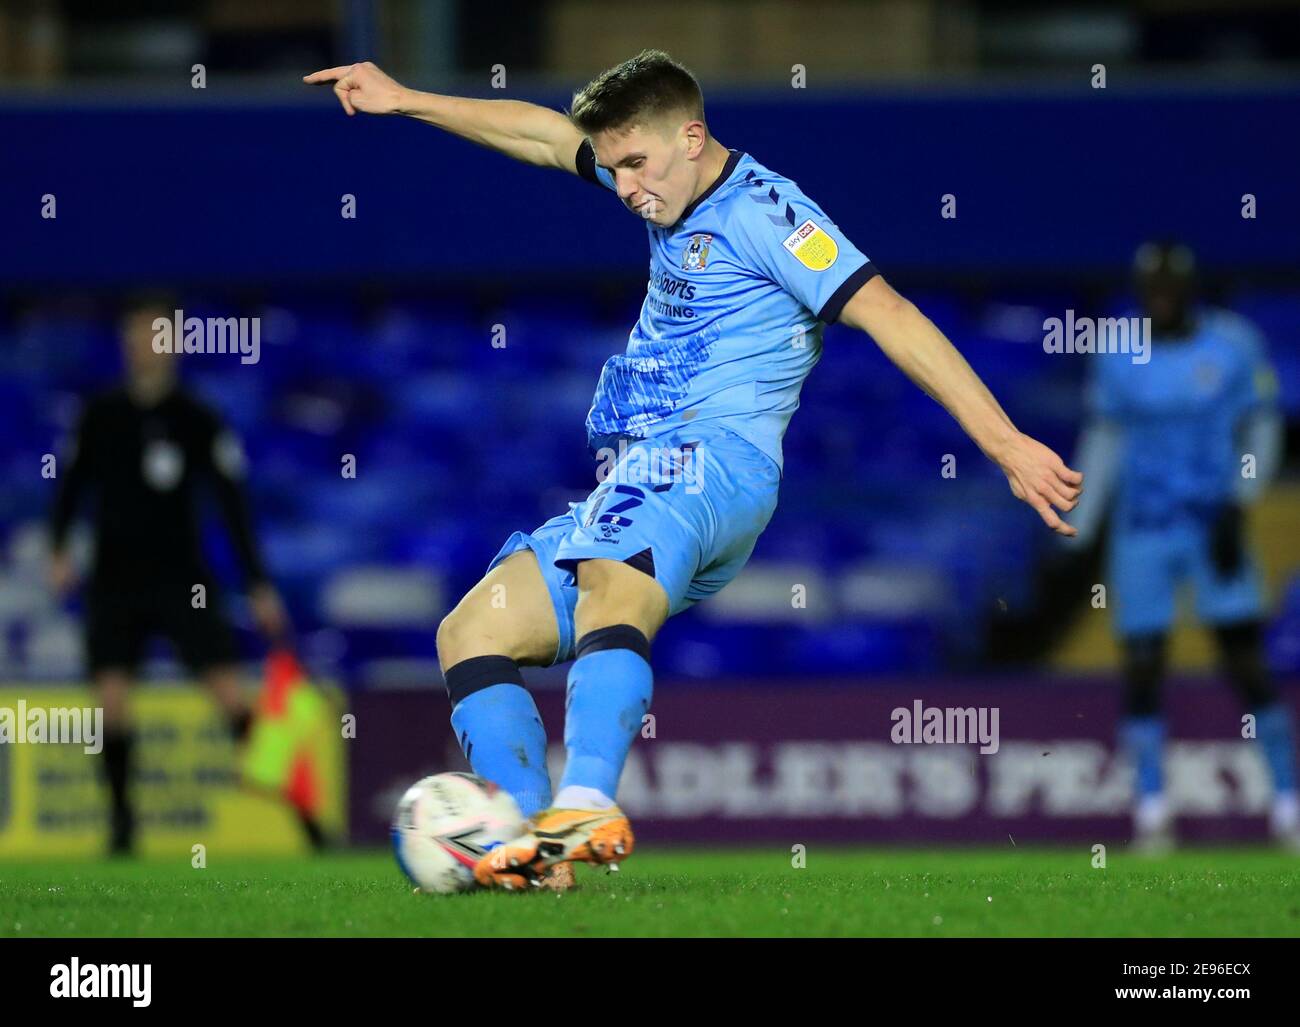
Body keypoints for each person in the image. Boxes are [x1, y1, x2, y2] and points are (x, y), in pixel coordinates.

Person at [305, 50, 1082, 888]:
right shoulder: (655, 178)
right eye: (612, 168)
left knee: (613, 577)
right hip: (639, 472)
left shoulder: (768, 213)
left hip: (714, 462)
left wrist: (1004, 442)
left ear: (692, 135)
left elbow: (889, 313)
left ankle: (588, 799)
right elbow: (538, 135)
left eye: (636, 163)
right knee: (471, 631)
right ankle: (530, 845)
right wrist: (405, 99)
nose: (628, 187)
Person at [49, 293, 296, 854]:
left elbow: (232, 504)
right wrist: (58, 548)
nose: (148, 345)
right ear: (126, 342)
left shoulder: (198, 418)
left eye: (159, 334)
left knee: (232, 699)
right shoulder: (99, 415)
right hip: (114, 578)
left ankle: (297, 812)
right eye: (138, 334)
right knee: (111, 700)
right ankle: (121, 827)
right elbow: (71, 486)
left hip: (184, 578)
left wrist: (257, 584)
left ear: (176, 344)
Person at [1067, 240, 1294, 850]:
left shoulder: (1233, 343)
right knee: (1142, 661)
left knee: (1243, 657)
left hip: (1212, 519)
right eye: (1152, 287)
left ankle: (1288, 803)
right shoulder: (1118, 349)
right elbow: (1106, 437)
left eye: (1172, 286)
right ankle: (1151, 808)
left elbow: (1263, 422)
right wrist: (1080, 520)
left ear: (1191, 287)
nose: (1162, 298)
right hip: (1144, 524)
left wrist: (1241, 496)